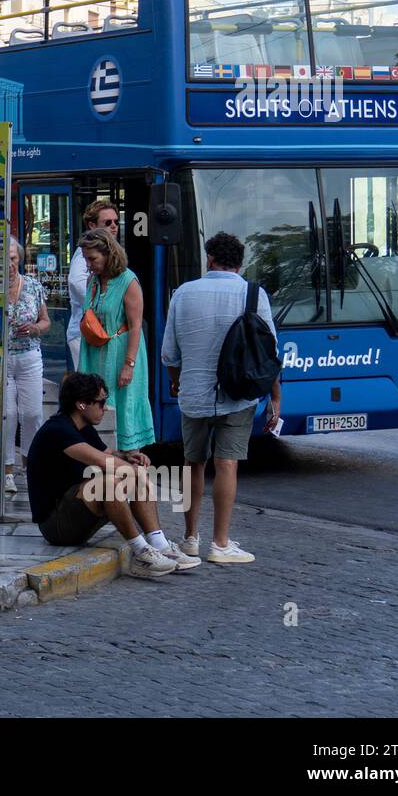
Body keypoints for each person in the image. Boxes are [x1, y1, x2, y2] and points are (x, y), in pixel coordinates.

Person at [161, 231, 282, 565]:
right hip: (237, 396)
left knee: (192, 463)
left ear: (209, 259)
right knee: (227, 464)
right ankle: (220, 543)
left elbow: (169, 354)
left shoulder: (184, 293)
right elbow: (269, 354)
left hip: (194, 394)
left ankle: (188, 539)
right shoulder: (254, 294)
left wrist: (176, 384)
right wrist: (275, 398)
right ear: (240, 264)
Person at [26, 372, 199, 578]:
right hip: (56, 526)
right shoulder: (58, 430)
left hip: (75, 511)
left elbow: (109, 455)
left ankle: (160, 546)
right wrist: (130, 469)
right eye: (100, 402)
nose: (105, 408)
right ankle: (142, 554)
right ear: (81, 404)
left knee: (129, 474)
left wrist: (131, 457)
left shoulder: (82, 427)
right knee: (109, 482)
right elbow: (102, 461)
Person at [77, 228, 156, 452]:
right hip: (95, 354)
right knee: (94, 407)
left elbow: (136, 326)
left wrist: (128, 365)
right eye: (85, 259)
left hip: (121, 355)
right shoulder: (92, 281)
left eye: (92, 258)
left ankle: (129, 464)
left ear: (108, 253)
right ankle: (102, 460)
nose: (88, 264)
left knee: (121, 409)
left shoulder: (128, 281)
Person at [2, 236, 50, 494]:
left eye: (13, 258)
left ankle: (30, 468)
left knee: (32, 414)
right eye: (4, 259)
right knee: (7, 415)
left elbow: (46, 321)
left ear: (19, 258)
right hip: (0, 359)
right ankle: (7, 470)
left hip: (29, 358)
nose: (9, 264)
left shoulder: (32, 285)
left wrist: (34, 328)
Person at [67, 200, 120, 371]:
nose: (114, 226)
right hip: (86, 331)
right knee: (90, 387)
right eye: (108, 222)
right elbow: (76, 281)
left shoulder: (108, 253)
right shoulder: (85, 252)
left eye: (116, 222)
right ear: (91, 225)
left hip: (97, 331)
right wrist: (101, 301)